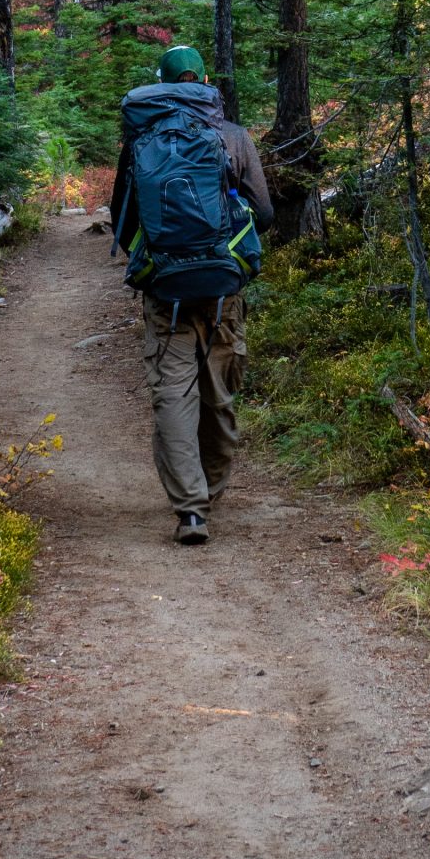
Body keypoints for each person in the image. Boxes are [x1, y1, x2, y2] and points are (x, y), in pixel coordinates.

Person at [110, 43, 273, 545]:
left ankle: (191, 511)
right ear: (203, 80)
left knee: (173, 397)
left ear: (160, 82)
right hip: (224, 289)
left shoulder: (141, 138)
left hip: (166, 292)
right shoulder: (233, 136)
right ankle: (213, 489)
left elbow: (122, 219)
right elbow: (264, 215)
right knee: (219, 395)